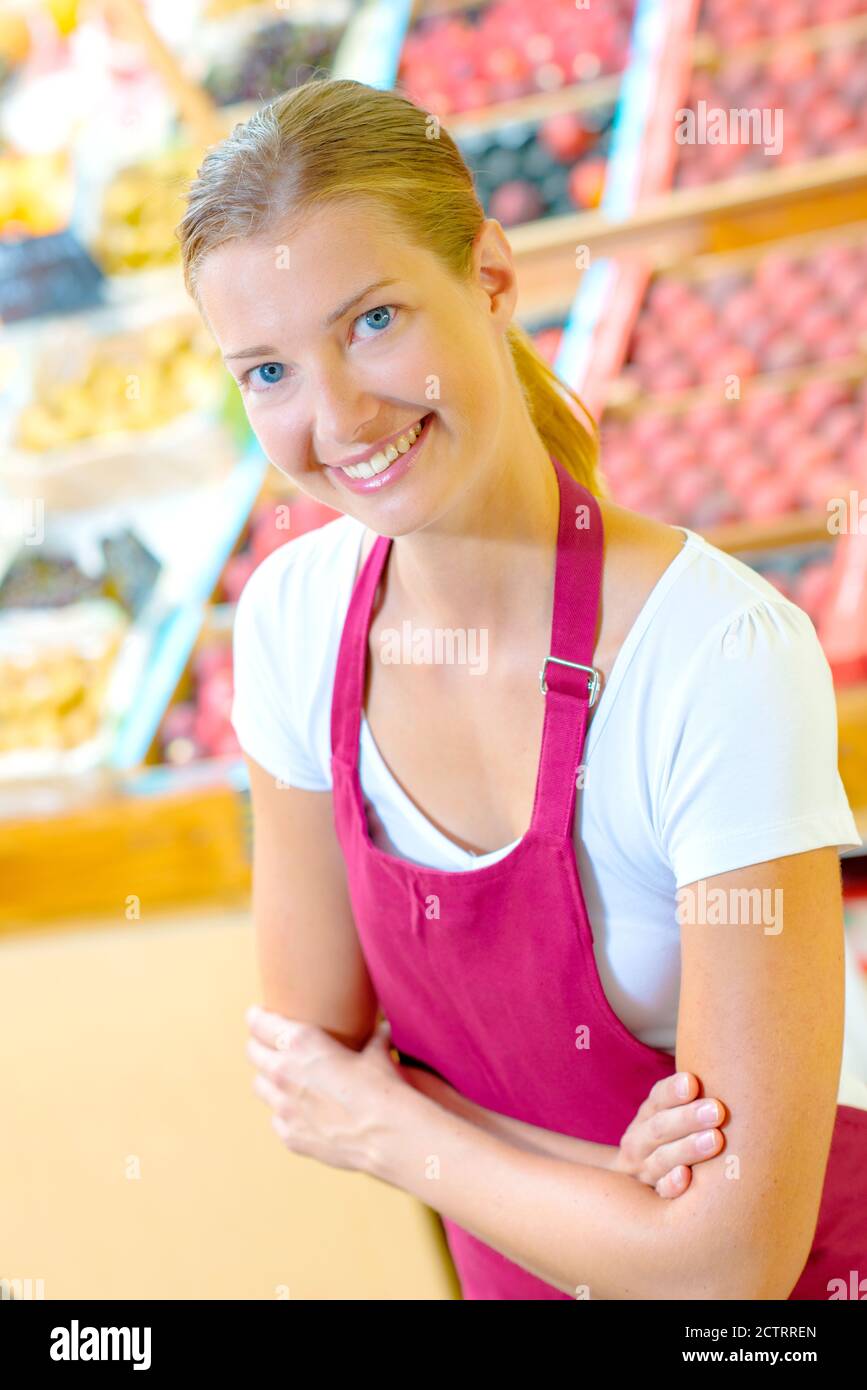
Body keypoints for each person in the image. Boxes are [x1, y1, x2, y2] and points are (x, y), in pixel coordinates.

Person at [177, 77, 867, 1300]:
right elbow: (310, 1063)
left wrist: (395, 1125)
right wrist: (618, 1192)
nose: (335, 415)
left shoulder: (716, 657)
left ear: (492, 278)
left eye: (375, 319)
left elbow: (729, 1266)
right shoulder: (291, 626)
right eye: (267, 371)